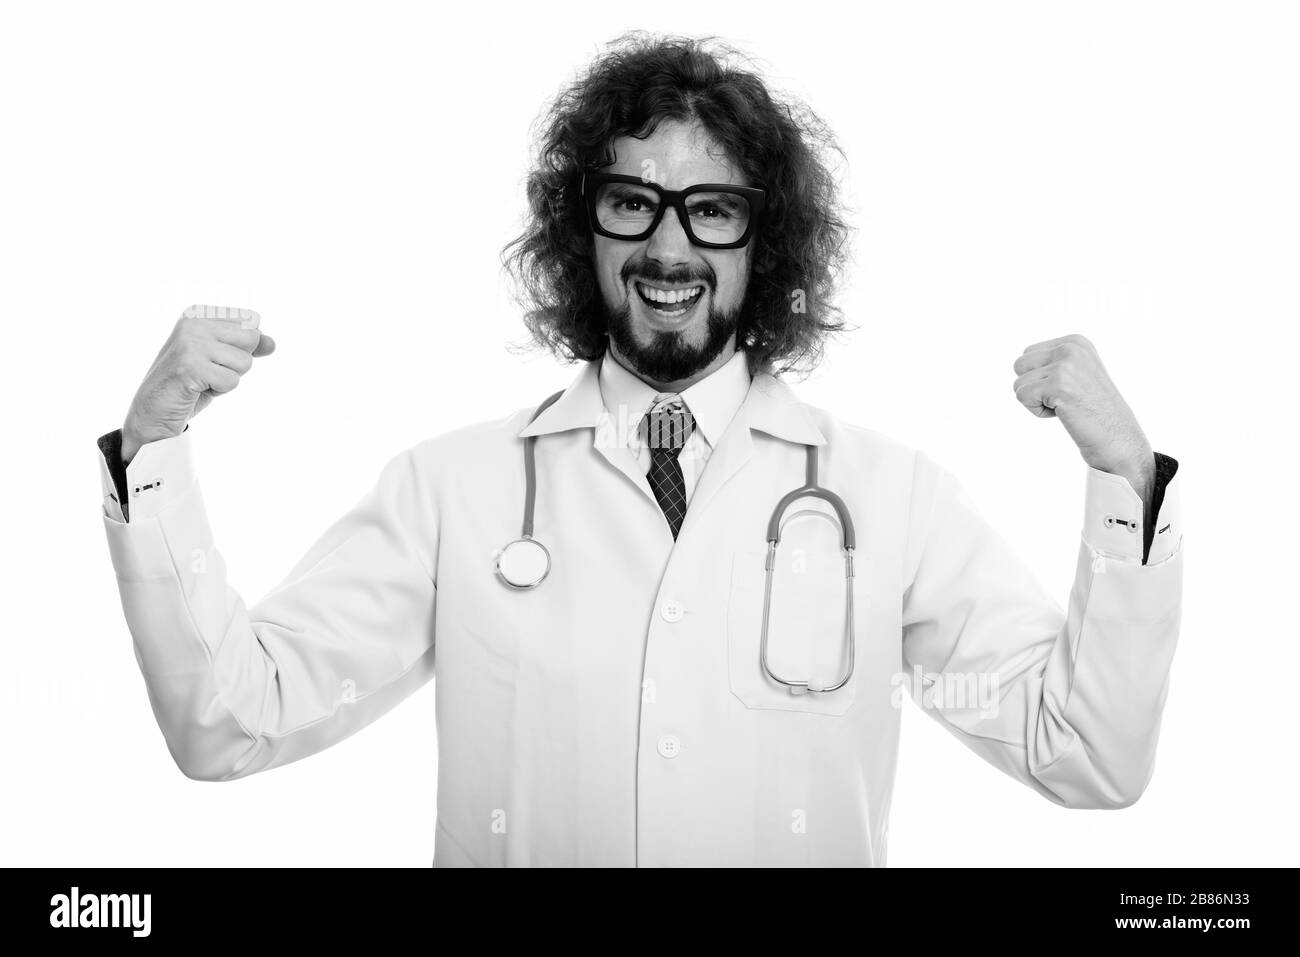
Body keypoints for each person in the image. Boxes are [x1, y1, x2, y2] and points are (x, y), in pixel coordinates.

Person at [97, 33, 1182, 867]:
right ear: (585, 234)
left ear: (769, 244)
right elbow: (232, 724)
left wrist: (1126, 481)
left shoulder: (889, 498)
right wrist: (154, 449)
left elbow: (1080, 755)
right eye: (632, 203)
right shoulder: (453, 490)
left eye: (712, 211)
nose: (670, 247)